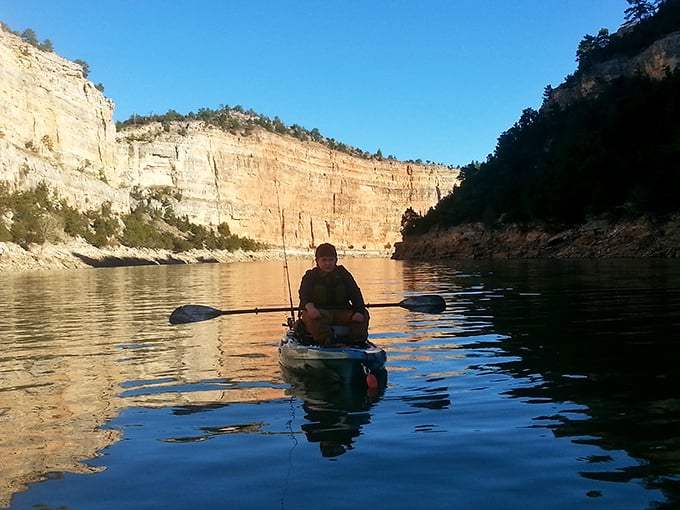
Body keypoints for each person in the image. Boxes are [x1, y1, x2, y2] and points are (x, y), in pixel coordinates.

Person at [298, 243, 369, 346]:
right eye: (324, 260)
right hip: (320, 312)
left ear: (336, 260)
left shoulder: (343, 274)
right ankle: (327, 342)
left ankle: (356, 342)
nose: (328, 263)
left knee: (363, 314)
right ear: (317, 261)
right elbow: (304, 294)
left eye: (331, 260)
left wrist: (359, 311)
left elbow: (355, 294)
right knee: (312, 317)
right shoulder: (310, 276)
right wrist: (310, 308)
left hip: (342, 311)